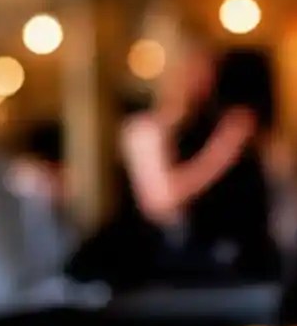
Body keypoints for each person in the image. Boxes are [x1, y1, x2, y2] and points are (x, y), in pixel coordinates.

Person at [89, 24, 277, 287]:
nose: (205, 77)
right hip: (154, 269)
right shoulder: (143, 129)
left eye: (209, 67)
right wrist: (224, 148)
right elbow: (160, 203)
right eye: (196, 66)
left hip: (218, 262)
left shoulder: (206, 127)